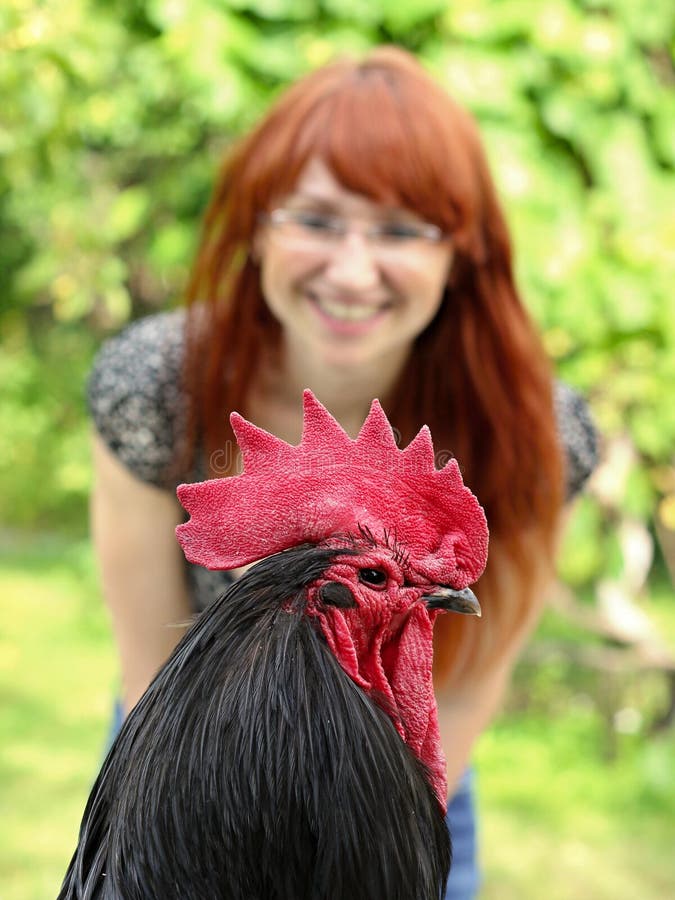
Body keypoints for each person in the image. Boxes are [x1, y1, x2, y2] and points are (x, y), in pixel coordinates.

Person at [88, 46, 597, 899]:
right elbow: (152, 668)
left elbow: (466, 692)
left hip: (400, 780)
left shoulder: (532, 425)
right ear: (258, 226)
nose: (353, 269)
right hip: (191, 767)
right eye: (316, 220)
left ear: (459, 252)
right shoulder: (155, 383)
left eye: (400, 230)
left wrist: (383, 842)